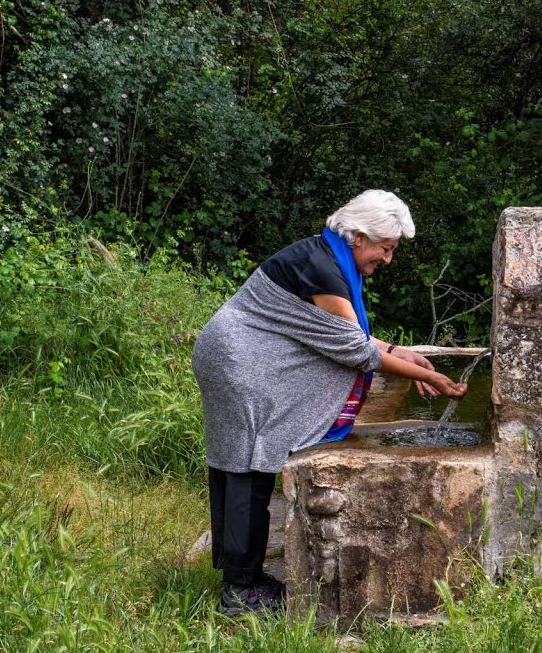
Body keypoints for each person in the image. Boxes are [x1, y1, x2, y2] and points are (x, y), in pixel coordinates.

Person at [191, 189, 467, 616]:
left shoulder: (324, 257)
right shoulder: (324, 272)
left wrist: (399, 350)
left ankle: (245, 577)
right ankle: (239, 593)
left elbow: (348, 337)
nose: (387, 260)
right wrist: (426, 374)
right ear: (358, 236)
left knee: (243, 463)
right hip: (241, 362)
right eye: (385, 249)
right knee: (248, 464)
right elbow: (355, 351)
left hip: (239, 355)